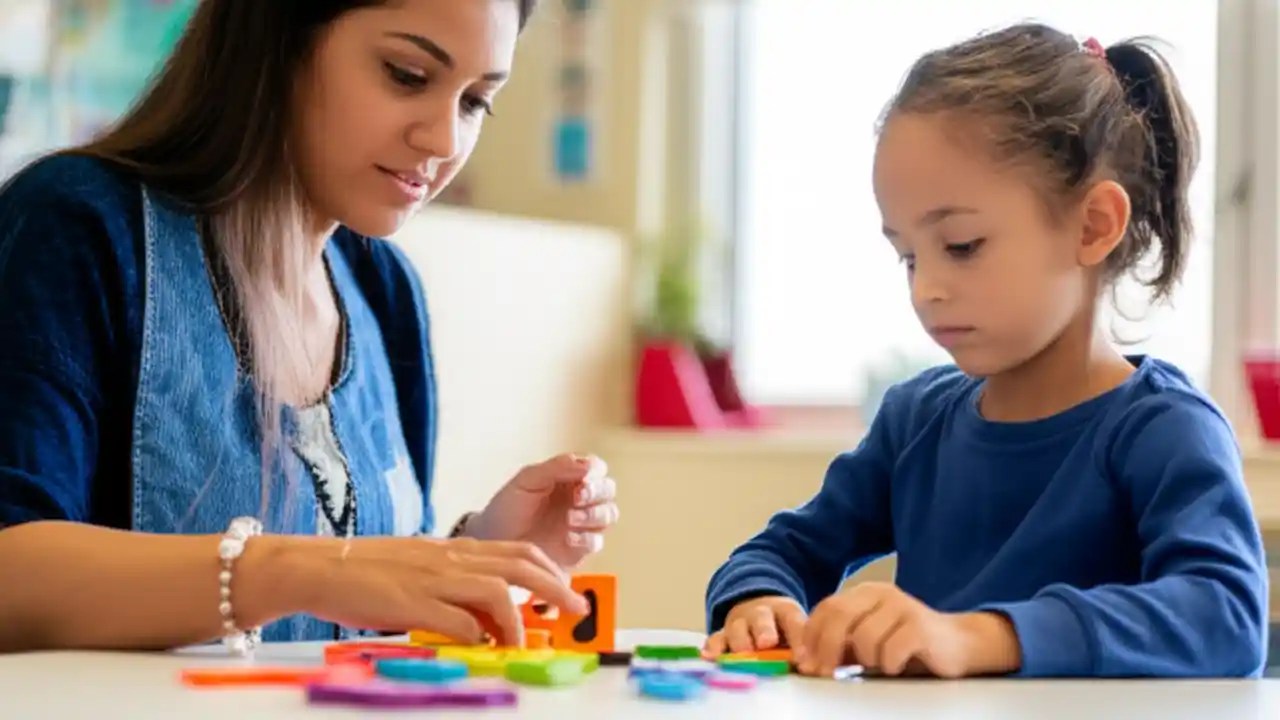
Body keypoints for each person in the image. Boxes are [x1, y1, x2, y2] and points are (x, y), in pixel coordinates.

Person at [0, 0, 620, 654]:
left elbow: (355, 630)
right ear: (278, 39)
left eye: (473, 103)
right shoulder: (79, 228)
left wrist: (477, 553)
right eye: (407, 74)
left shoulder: (386, 293)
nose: (443, 142)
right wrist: (291, 570)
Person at [704, 24, 1267, 679]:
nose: (926, 289)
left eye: (963, 245)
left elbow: (1225, 617)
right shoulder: (915, 421)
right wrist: (759, 599)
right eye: (908, 256)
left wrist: (983, 638)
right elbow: (782, 551)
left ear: (1093, 226)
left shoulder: (1163, 430)